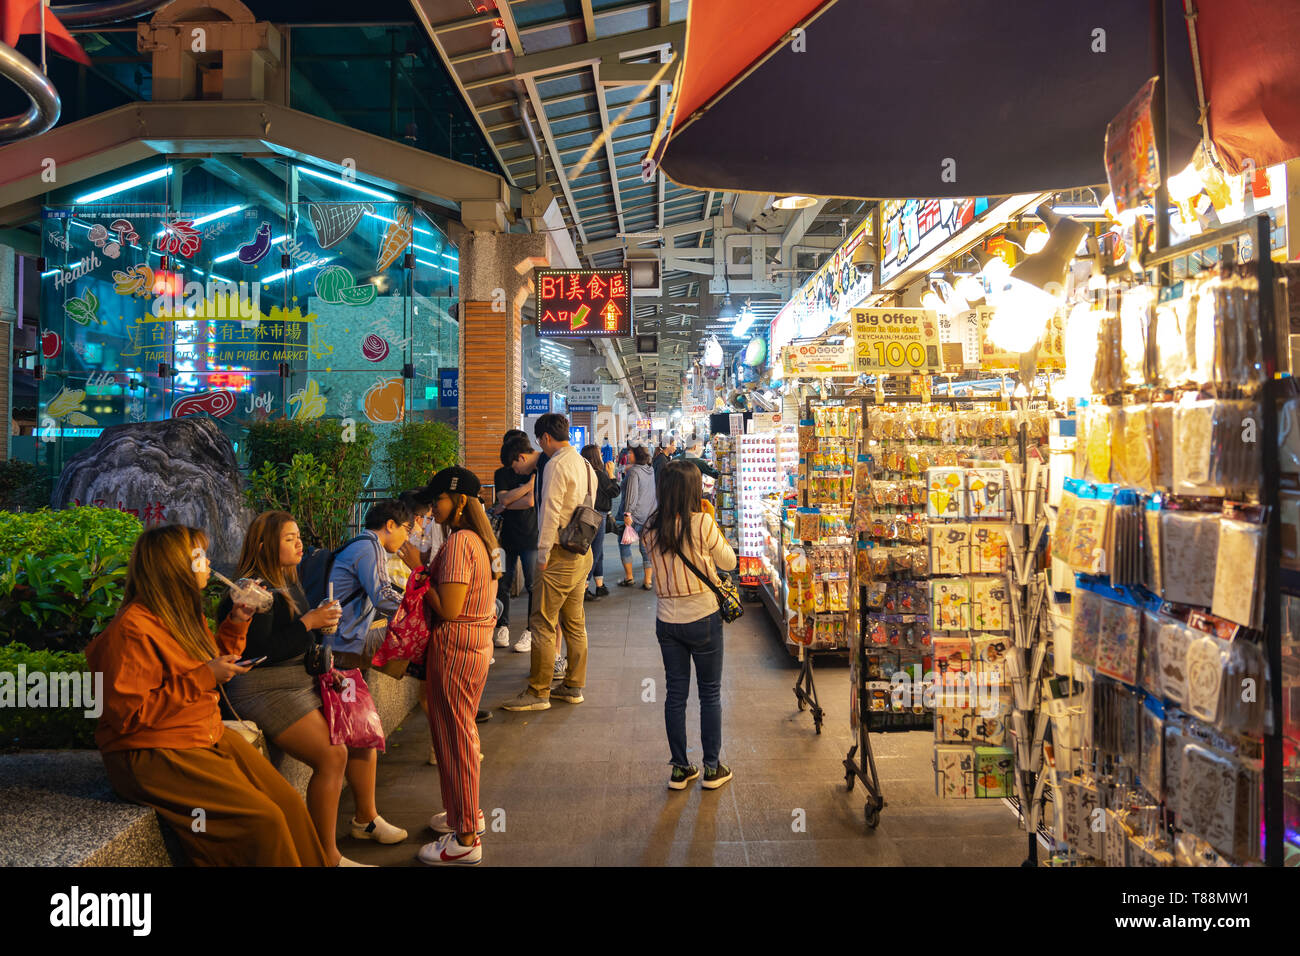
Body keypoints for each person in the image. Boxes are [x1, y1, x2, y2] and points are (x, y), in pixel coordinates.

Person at [84, 524, 332, 866]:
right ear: (174, 567)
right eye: (199, 556)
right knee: (263, 821)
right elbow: (128, 715)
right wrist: (204, 677)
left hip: (201, 733)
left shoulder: (180, 613)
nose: (208, 561)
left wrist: (237, 621)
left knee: (288, 803)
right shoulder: (131, 630)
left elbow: (209, 659)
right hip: (154, 751)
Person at [213, 511, 363, 866]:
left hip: (295, 679)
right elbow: (255, 652)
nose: (299, 544)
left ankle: (363, 822)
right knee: (331, 755)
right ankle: (326, 856)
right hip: (263, 687)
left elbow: (291, 638)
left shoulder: (286, 580)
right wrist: (310, 622)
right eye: (289, 538)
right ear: (264, 545)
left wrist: (317, 634)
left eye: (298, 537)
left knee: (353, 736)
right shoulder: (253, 590)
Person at [414, 467, 501, 866]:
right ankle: (464, 814)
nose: (433, 507)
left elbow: (448, 607)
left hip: (456, 649)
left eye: (439, 500)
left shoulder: (461, 542)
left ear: (460, 502)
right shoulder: (478, 540)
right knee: (457, 733)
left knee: (455, 738)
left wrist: (418, 576)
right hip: (474, 646)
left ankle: (465, 837)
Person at [642, 461, 737, 792]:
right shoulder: (702, 523)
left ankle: (680, 769)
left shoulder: (649, 529)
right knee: (710, 693)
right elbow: (729, 562)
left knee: (675, 695)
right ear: (693, 490)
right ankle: (712, 768)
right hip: (703, 618)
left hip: (667, 621)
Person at [325, 499, 412, 845]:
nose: (409, 536)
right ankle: (365, 819)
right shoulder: (369, 546)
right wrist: (415, 610)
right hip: (343, 650)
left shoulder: (362, 545)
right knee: (359, 731)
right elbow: (383, 593)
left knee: (361, 731)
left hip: (345, 646)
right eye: (408, 528)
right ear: (390, 524)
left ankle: (367, 816)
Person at [500, 412, 596, 712]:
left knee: (542, 622)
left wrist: (542, 554)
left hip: (558, 553)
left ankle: (538, 691)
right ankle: (573, 685)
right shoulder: (584, 463)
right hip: (582, 551)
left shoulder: (556, 465)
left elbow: (550, 511)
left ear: (545, 438)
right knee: (574, 622)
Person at [493, 433, 539, 654]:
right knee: (501, 582)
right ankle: (502, 626)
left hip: (531, 537)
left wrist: (510, 500)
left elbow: (529, 502)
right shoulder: (501, 472)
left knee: (532, 585)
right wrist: (528, 486)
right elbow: (502, 500)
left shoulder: (536, 470)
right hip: (504, 538)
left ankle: (530, 631)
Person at [580, 443, 622, 601]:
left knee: (598, 552)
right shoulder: (599, 474)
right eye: (599, 454)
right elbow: (614, 491)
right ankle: (583, 587)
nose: (602, 456)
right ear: (595, 457)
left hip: (587, 514)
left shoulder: (583, 473)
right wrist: (611, 474)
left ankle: (600, 585)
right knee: (595, 552)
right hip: (599, 516)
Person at [617, 444, 657, 589]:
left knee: (624, 544)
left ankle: (629, 577)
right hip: (649, 514)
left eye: (630, 452)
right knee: (646, 547)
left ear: (637, 454)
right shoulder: (650, 469)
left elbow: (630, 495)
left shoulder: (634, 472)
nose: (628, 455)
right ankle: (648, 581)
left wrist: (627, 513)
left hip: (633, 516)